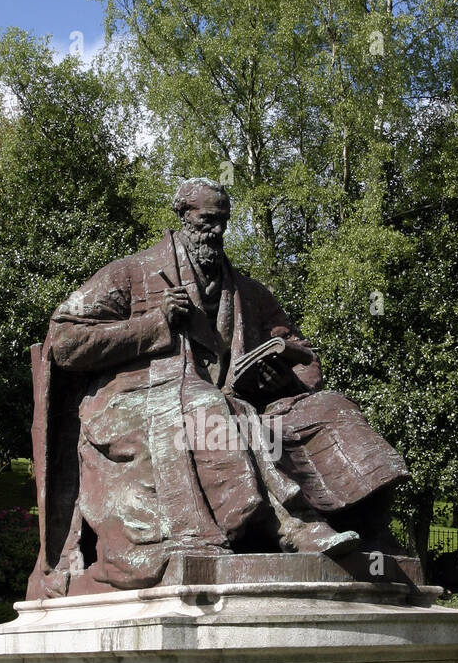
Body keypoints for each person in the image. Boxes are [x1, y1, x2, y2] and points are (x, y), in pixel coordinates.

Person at [27, 178, 410, 597]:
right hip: (137, 403)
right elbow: (64, 339)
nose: (216, 231)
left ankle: (373, 536)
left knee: (331, 408)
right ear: (183, 217)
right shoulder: (131, 273)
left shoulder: (248, 291)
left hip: (234, 402)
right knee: (209, 405)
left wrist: (283, 374)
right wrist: (154, 324)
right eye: (207, 221)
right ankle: (290, 524)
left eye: (223, 222)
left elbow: (304, 355)